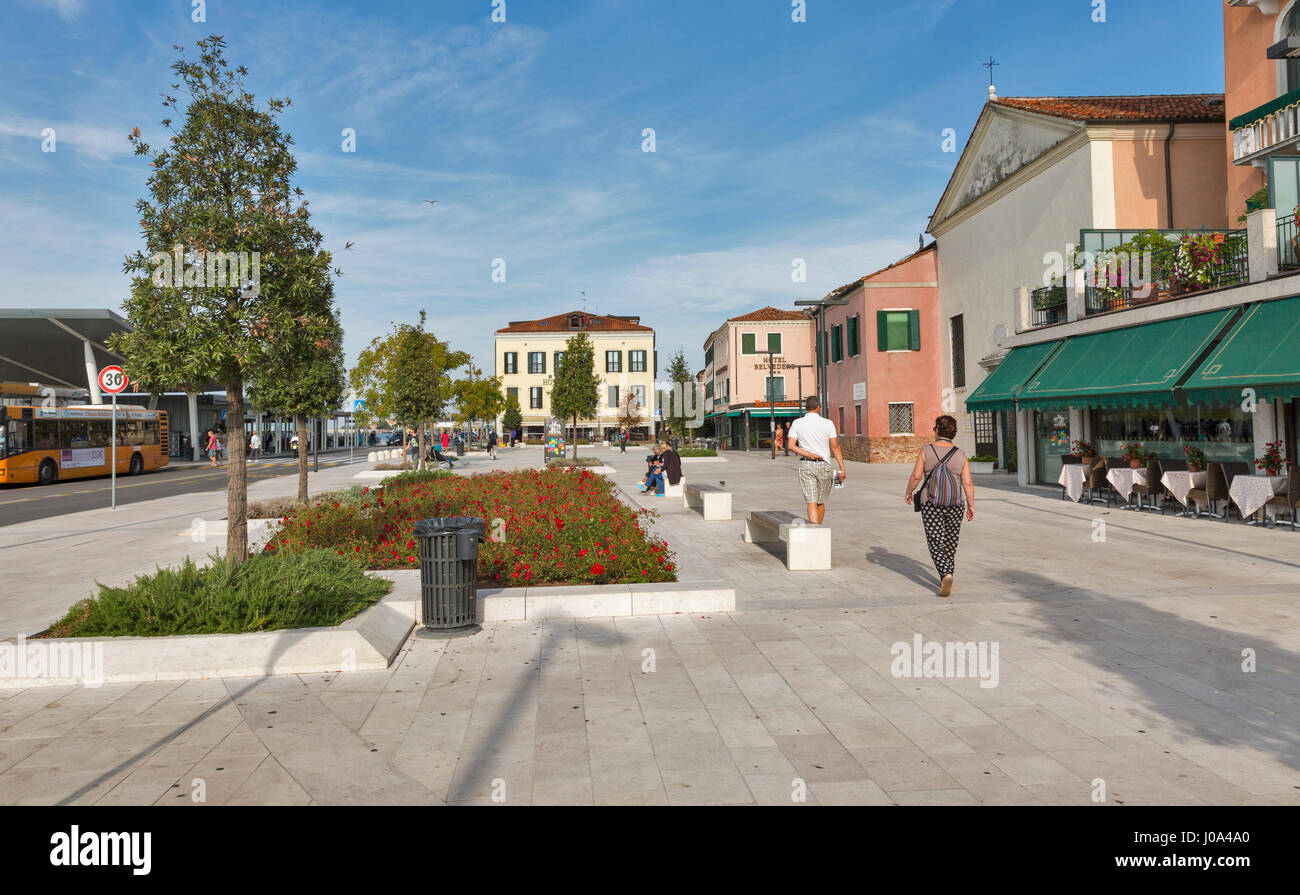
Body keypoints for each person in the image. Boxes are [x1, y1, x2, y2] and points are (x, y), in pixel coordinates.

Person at [903, 414, 975, 598]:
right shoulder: (960, 454)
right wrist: (971, 506)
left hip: (931, 502)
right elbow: (967, 483)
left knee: (935, 540)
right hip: (956, 503)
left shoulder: (926, 450)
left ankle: (945, 574)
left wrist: (909, 492)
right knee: (951, 541)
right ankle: (948, 571)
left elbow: (917, 476)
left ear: (937, 430)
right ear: (953, 433)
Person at [787, 396, 845, 524]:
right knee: (820, 501)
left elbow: (791, 445)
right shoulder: (828, 423)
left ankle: (814, 532)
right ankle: (817, 530)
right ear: (819, 407)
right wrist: (842, 469)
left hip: (806, 464)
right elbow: (835, 447)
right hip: (824, 465)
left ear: (806, 407)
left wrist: (808, 454)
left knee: (811, 501)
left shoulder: (797, 423)